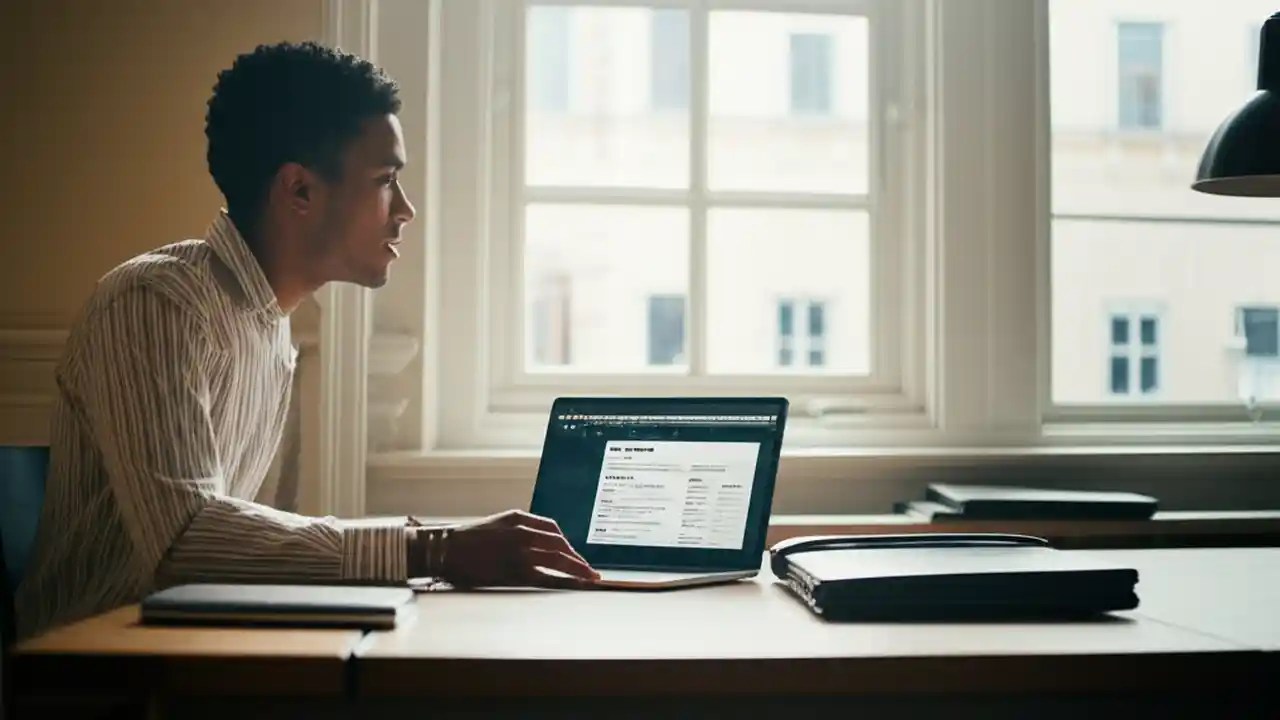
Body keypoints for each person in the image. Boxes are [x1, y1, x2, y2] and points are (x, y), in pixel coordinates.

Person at [15, 41, 597, 641]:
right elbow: (186, 540)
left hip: (186, 658)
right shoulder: (155, 305)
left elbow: (240, 543)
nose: (406, 210)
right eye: (384, 181)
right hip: (90, 675)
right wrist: (436, 549)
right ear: (298, 191)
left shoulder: (268, 325)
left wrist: (437, 546)